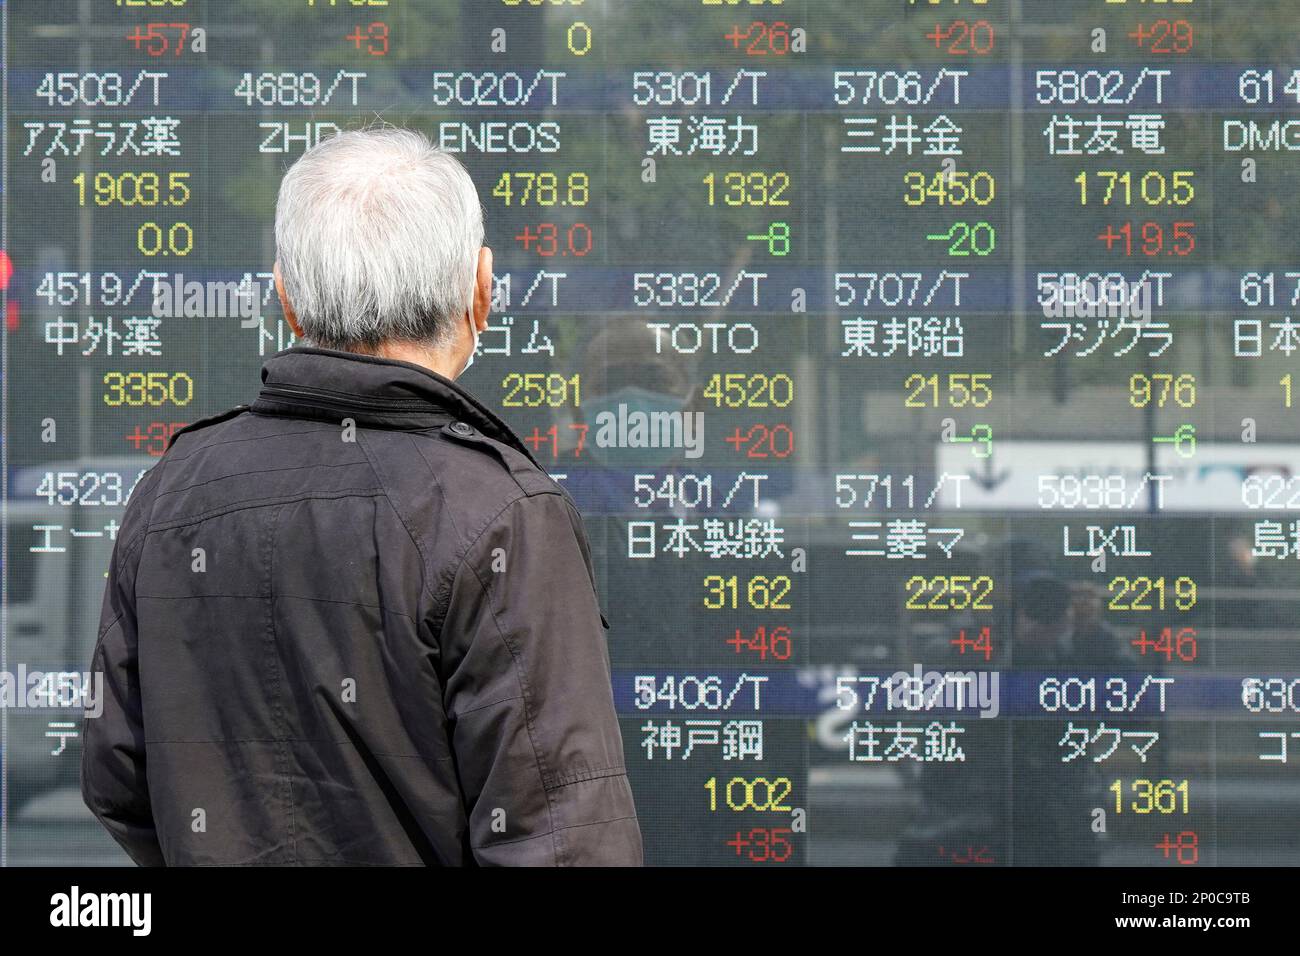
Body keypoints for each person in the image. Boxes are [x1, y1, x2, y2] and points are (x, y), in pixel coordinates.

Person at [80, 126, 643, 866]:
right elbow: (566, 843)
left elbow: (119, 776)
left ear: (286, 298)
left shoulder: (172, 490)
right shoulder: (499, 515)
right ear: (481, 288)